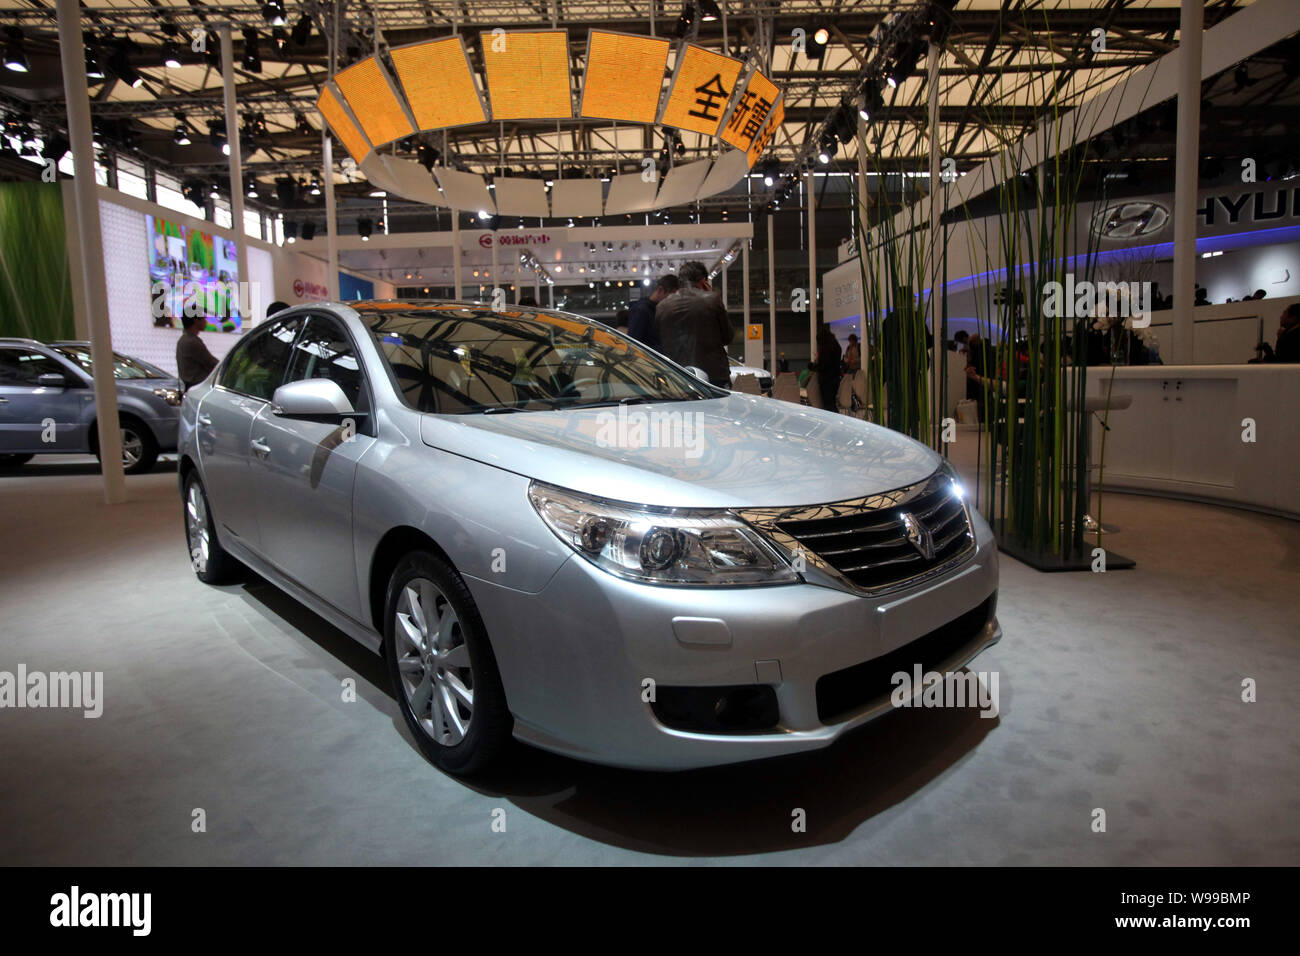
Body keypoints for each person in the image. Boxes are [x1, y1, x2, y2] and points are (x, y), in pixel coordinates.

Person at [656, 261, 733, 387]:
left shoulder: (662, 306)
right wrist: (712, 296)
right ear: (703, 281)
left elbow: (660, 342)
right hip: (713, 373)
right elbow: (728, 337)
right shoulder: (712, 300)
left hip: (678, 375)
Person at [627, 274, 677, 351]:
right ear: (660, 290)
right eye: (671, 297)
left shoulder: (656, 310)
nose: (673, 301)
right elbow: (634, 344)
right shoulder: (641, 310)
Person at [177, 312, 218, 392]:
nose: (206, 321)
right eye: (203, 318)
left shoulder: (183, 340)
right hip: (198, 387)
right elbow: (211, 363)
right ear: (196, 321)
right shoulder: (192, 342)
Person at [814, 326, 842, 409]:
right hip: (835, 379)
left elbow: (823, 366)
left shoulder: (825, 349)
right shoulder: (836, 346)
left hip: (826, 381)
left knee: (827, 404)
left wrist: (813, 366)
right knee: (832, 403)